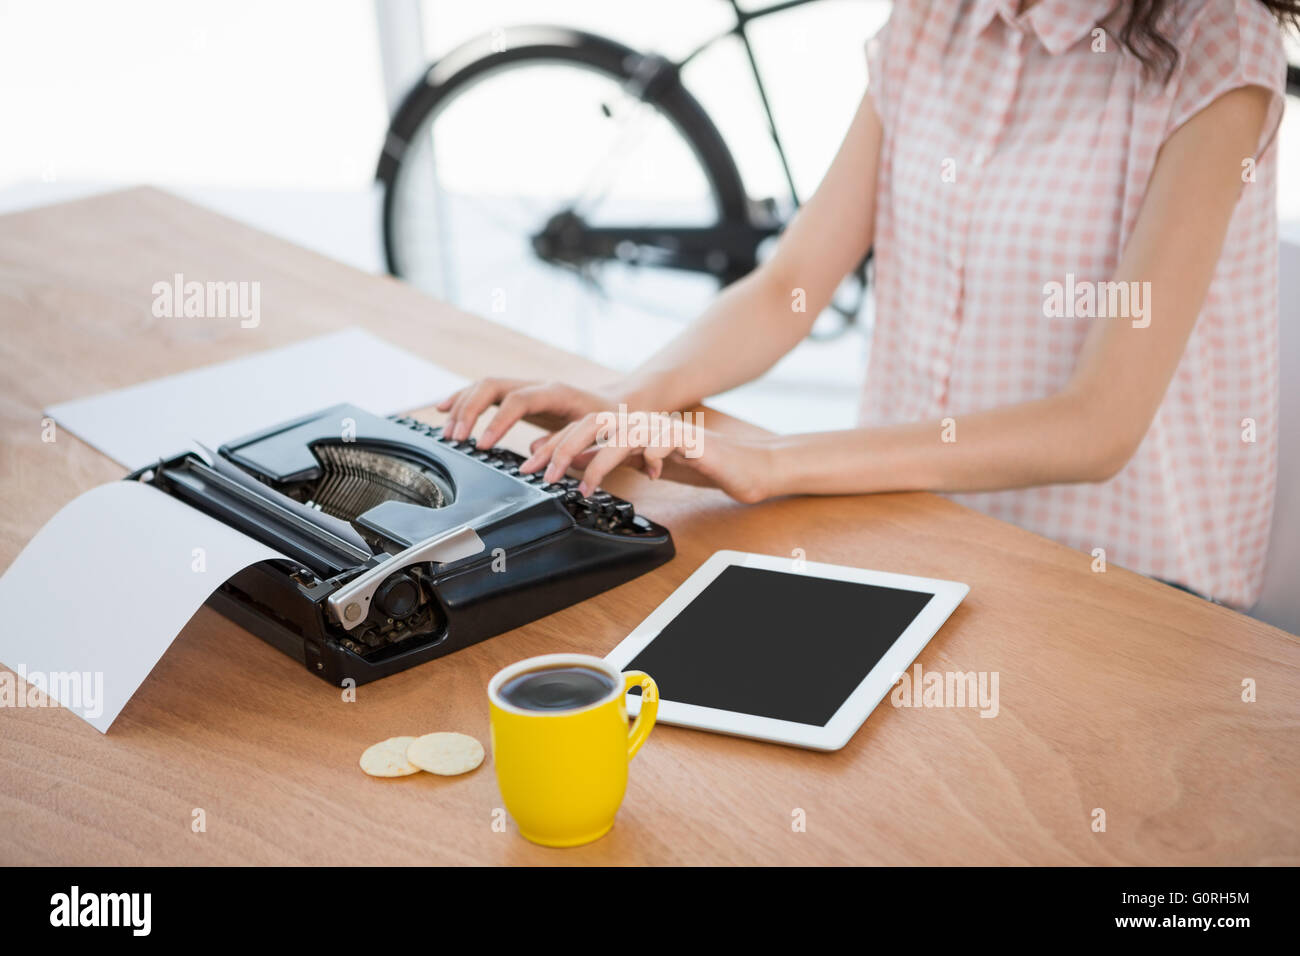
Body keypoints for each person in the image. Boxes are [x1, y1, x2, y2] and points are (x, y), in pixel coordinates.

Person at [438, 0, 1291, 609]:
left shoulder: (1216, 43)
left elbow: (1097, 425)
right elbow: (788, 288)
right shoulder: (935, 18)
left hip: (1127, 583)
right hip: (912, 527)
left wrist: (774, 463)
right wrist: (629, 402)